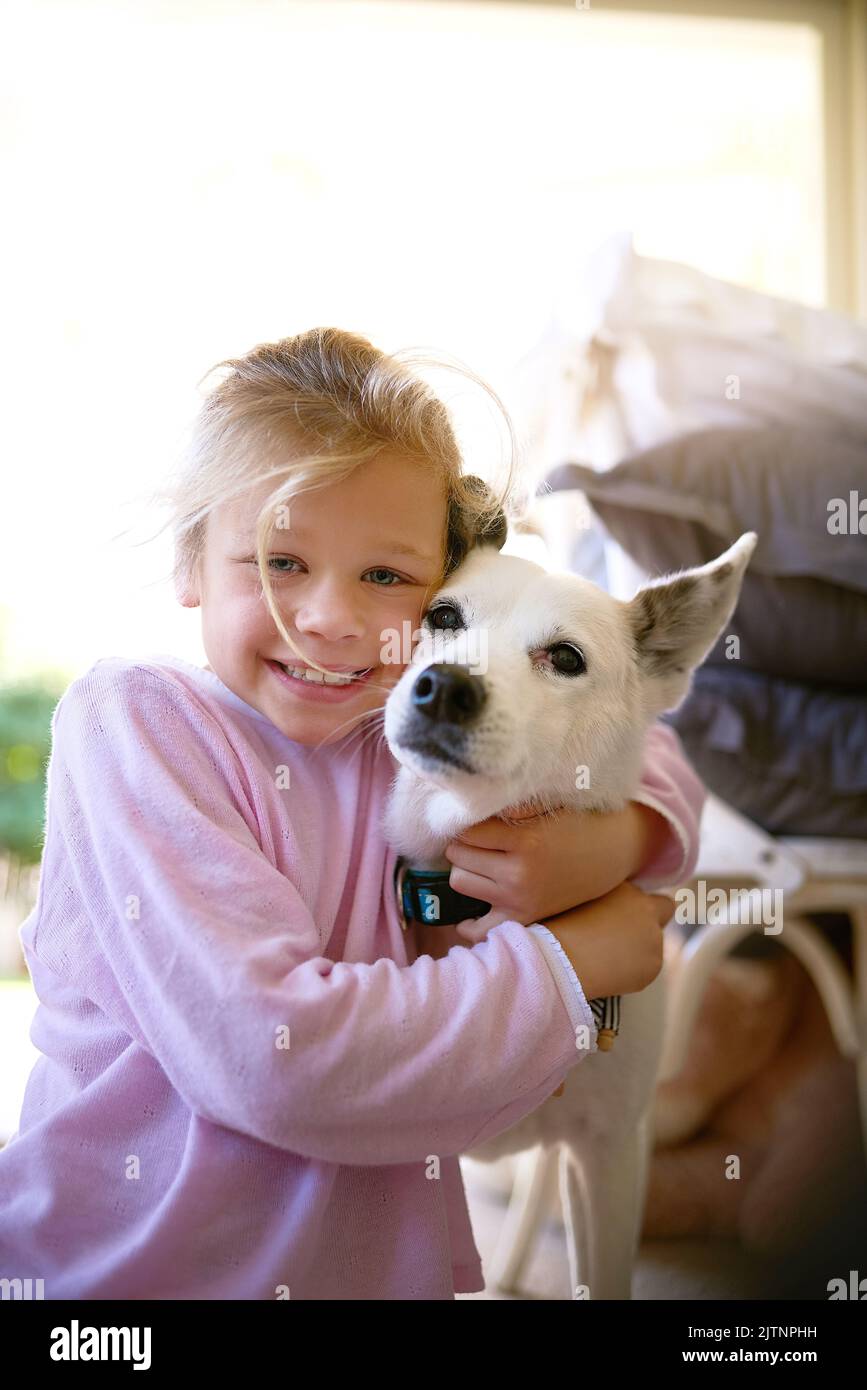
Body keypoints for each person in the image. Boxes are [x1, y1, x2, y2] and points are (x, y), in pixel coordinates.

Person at [0, 328, 704, 1299]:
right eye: (279, 561)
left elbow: (642, 734)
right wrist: (577, 959)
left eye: (386, 577)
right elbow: (275, 1059)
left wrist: (622, 839)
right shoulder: (136, 726)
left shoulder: (393, 727)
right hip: (118, 1287)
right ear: (192, 561)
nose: (329, 618)